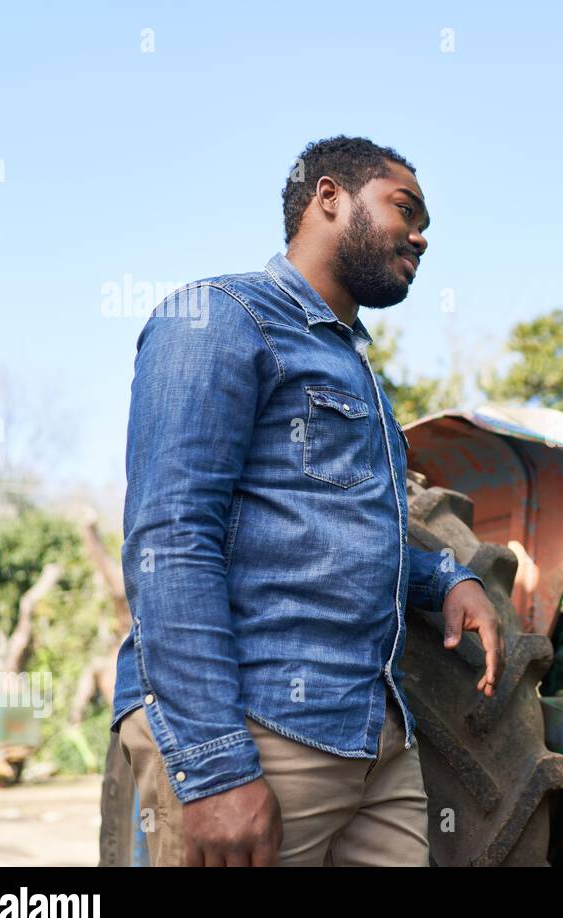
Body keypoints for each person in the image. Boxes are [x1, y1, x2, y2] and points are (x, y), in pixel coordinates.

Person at [112, 135, 503, 866]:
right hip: (262, 732)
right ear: (328, 197)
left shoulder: (354, 370)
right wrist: (220, 767)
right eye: (405, 208)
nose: (420, 236)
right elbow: (171, 538)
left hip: (378, 741)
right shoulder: (217, 317)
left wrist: (451, 577)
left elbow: (333, 540)